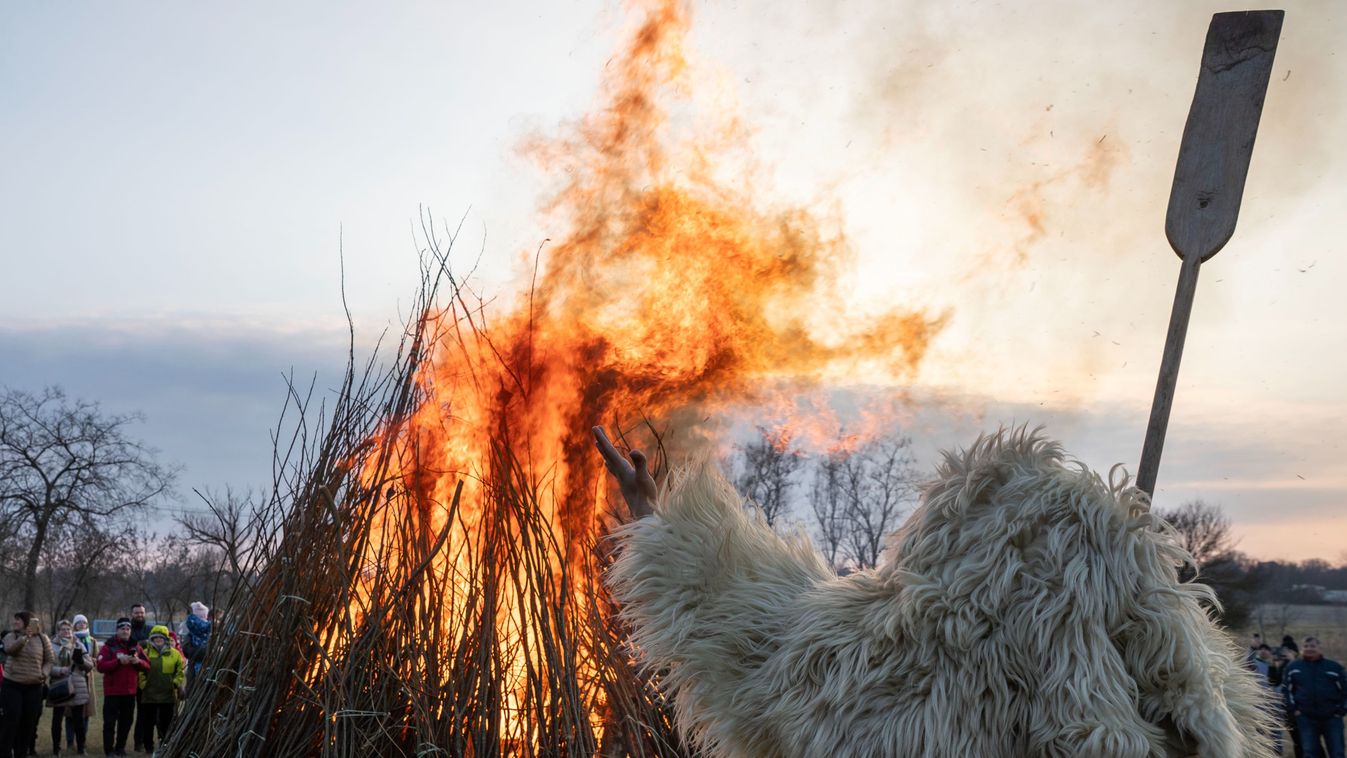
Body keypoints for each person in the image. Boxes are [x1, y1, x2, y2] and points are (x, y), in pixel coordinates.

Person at [592, 427, 1275, 757]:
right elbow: (1195, 707)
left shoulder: (848, 648)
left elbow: (735, 621)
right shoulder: (1092, 602)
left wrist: (654, 516)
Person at [0, 612, 53, 758]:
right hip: (12, 686)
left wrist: (44, 673)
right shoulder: (11, 636)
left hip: (34, 687)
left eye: (18, 620)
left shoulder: (43, 639)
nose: (15, 622)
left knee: (28, 724)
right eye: (14, 619)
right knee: (11, 722)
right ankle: (4, 753)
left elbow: (49, 660)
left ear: (27, 621)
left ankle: (21, 753)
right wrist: (25, 637)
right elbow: (10, 650)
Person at [1284, 637, 1346, 758]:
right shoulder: (1293, 668)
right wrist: (1294, 710)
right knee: (1310, 753)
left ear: (1320, 648)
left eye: (1312, 646)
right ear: (1301, 649)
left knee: (1337, 752)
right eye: (1306, 646)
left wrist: (1342, 710)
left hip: (1332, 717)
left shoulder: (1334, 667)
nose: (1309, 649)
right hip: (1306, 718)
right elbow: (1286, 690)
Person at [96, 619, 148, 758]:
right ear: (117, 630)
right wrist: (118, 661)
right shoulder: (109, 645)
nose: (125, 631)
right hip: (112, 691)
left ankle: (120, 748)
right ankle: (109, 750)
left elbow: (147, 665)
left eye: (127, 628)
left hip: (130, 691)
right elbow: (100, 666)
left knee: (126, 722)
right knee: (109, 722)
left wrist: (138, 662)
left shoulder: (136, 646)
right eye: (122, 628)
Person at [48, 620, 93, 756]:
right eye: (63, 629)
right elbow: (46, 665)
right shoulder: (51, 645)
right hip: (59, 685)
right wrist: (58, 670)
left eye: (69, 629)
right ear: (58, 631)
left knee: (78, 719)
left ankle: (81, 748)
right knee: (57, 719)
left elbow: (90, 665)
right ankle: (56, 749)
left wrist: (81, 661)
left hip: (77, 684)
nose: (67, 632)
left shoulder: (78, 644)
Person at [136, 627, 184, 754]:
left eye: (161, 638)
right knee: (148, 722)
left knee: (166, 722)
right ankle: (148, 747)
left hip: (167, 694)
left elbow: (180, 672)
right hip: (149, 694)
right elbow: (140, 672)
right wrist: (143, 685)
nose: (158, 640)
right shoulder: (145, 653)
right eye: (155, 638)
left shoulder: (174, 654)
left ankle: (164, 744)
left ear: (165, 639)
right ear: (151, 639)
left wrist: (175, 683)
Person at [69, 616, 97, 750]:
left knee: (85, 711)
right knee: (70, 711)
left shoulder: (92, 640)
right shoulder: (71, 638)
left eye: (84, 622)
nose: (81, 624)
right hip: (72, 676)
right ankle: (70, 740)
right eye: (78, 622)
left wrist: (87, 659)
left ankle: (82, 740)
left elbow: (96, 660)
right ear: (74, 625)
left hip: (87, 677)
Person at [181, 603, 211, 693]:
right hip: (204, 667)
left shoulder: (191, 632)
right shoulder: (210, 630)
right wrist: (206, 652)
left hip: (195, 668)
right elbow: (187, 651)